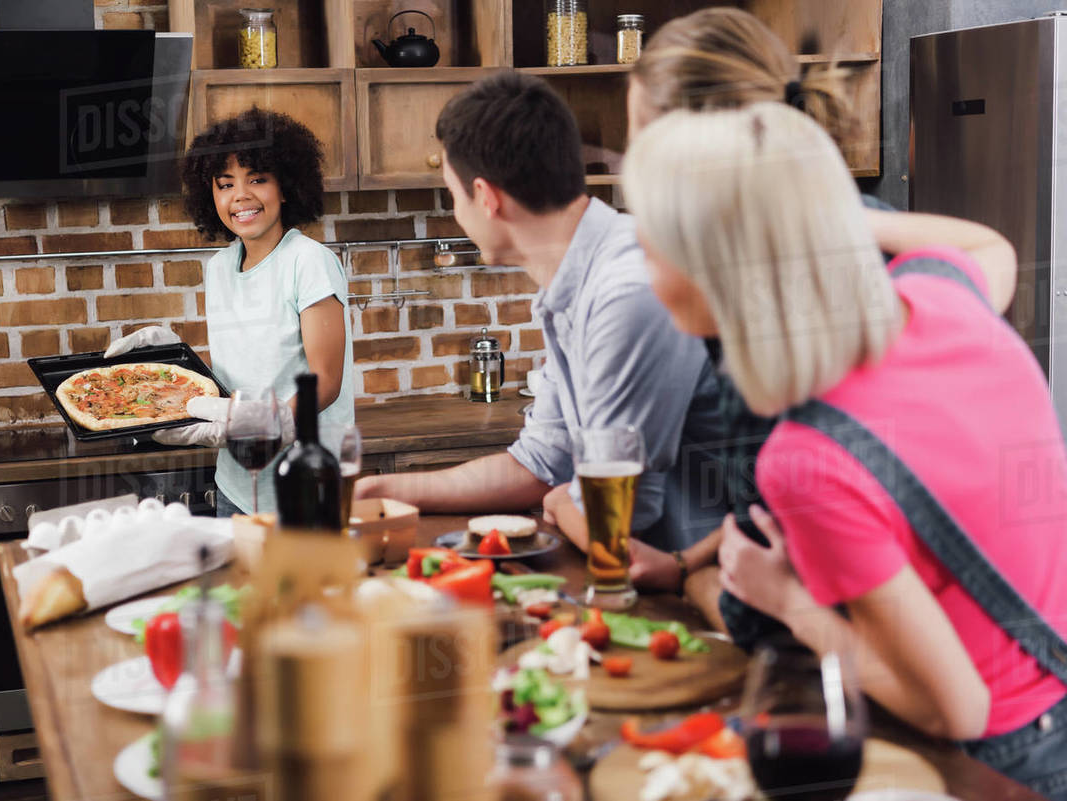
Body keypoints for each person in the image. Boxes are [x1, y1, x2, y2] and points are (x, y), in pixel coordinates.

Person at [623, 102, 1067, 796]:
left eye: (651, 247)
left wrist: (788, 599)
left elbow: (957, 705)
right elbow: (990, 247)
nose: (644, 273)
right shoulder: (941, 294)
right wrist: (815, 216)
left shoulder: (808, 461)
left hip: (991, 763)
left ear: (718, 269)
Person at [355, 71, 729, 573]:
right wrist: (383, 489)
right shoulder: (574, 279)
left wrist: (559, 502)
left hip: (717, 593)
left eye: (452, 194)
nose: (455, 213)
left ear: (486, 197)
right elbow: (539, 464)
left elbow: (615, 524)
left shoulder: (626, 292)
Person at [625, 6, 894, 643]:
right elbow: (779, 500)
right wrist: (689, 563)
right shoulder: (852, 225)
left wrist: (694, 581)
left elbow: (778, 614)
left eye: (641, 137)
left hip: (869, 666)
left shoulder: (763, 284)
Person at [105, 107, 354, 517]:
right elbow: (243, 370)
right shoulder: (219, 267)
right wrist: (170, 364)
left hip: (305, 484)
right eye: (225, 184)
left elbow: (325, 382)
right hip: (235, 484)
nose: (240, 195)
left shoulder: (309, 262)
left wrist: (268, 428)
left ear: (287, 186)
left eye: (257, 179)